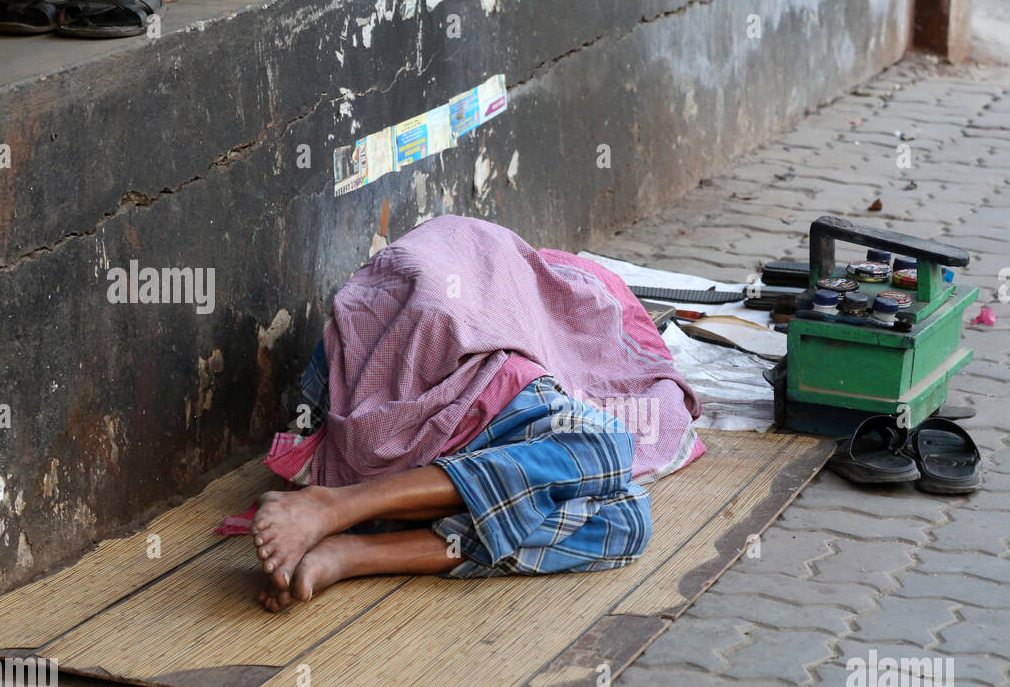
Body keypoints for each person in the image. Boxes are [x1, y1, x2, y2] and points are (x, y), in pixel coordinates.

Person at [246, 215, 705, 612]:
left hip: (471, 456)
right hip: (467, 381)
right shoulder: (519, 267)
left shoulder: (565, 320)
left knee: (626, 521)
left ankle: (350, 553)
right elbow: (454, 266)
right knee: (603, 444)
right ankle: (337, 505)